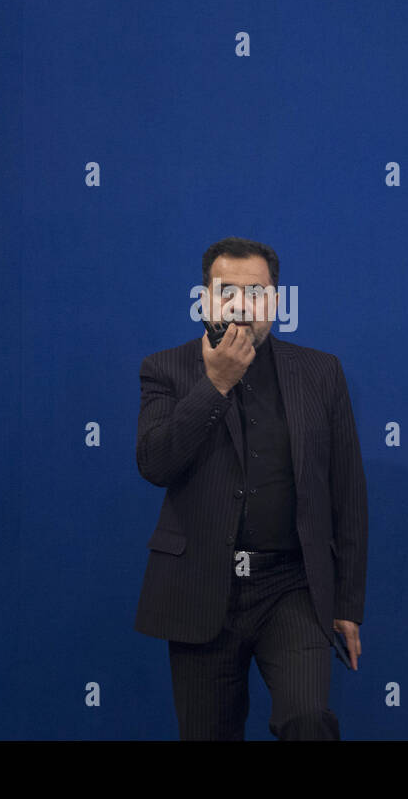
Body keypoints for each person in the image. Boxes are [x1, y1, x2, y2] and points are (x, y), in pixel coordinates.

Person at [134, 236, 368, 740]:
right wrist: (214, 385)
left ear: (277, 302)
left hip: (292, 587)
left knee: (307, 719)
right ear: (205, 300)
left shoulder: (320, 372)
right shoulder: (165, 370)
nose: (242, 304)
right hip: (199, 585)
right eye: (228, 291)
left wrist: (347, 605)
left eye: (257, 292)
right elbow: (155, 463)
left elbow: (347, 493)